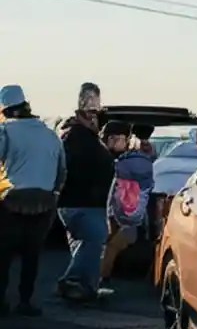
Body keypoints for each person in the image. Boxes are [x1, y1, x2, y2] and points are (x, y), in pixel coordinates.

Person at [0, 85, 66, 316]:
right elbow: (62, 172)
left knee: (3, 255)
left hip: (11, 200)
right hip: (44, 202)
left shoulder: (5, 131)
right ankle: (25, 301)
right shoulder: (50, 134)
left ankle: (2, 301)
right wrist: (54, 193)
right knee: (32, 255)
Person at [57, 84, 116, 303]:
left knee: (84, 244)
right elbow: (70, 168)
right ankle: (72, 280)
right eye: (91, 113)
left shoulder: (85, 137)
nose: (95, 119)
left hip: (84, 201)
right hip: (82, 201)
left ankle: (88, 287)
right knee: (94, 240)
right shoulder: (76, 138)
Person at [99, 123, 154, 295]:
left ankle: (101, 278)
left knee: (108, 246)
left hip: (115, 211)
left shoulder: (116, 162)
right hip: (131, 214)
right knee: (112, 245)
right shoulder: (144, 161)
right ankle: (102, 278)